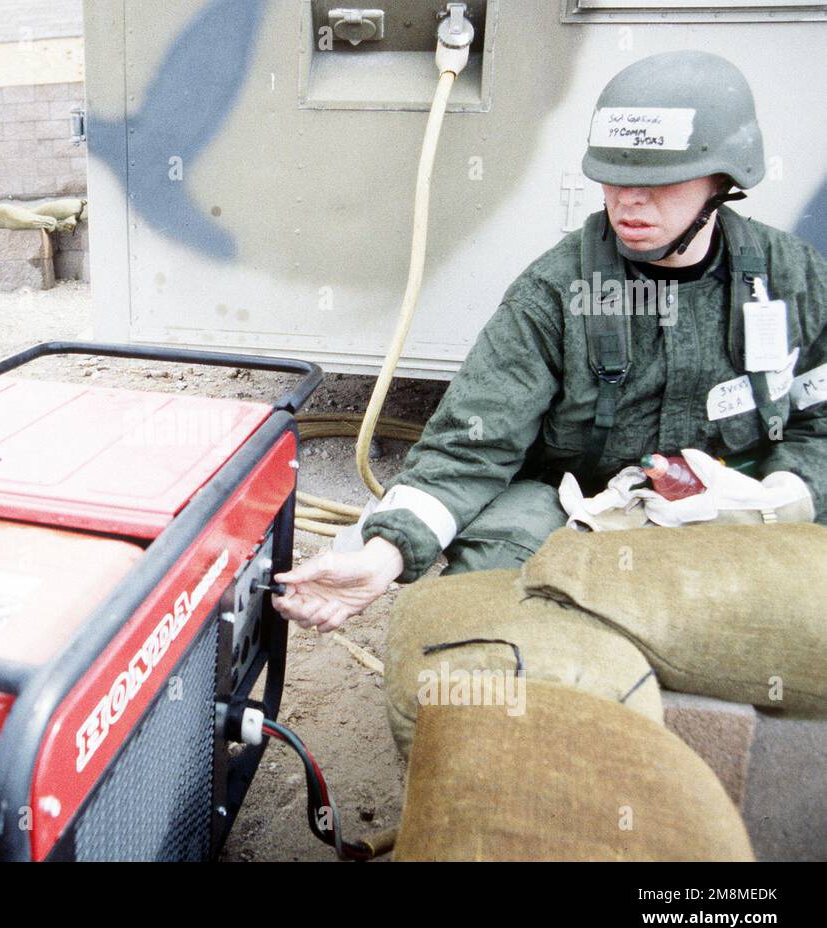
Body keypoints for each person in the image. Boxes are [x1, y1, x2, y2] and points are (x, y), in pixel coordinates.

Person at [273, 50, 827, 634]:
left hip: (738, 515)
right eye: (615, 177)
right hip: (580, 515)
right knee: (474, 605)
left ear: (724, 181)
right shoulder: (556, 291)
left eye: (659, 180)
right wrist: (381, 558)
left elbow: (820, 426)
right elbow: (470, 445)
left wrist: (777, 500)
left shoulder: (794, 280)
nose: (629, 200)